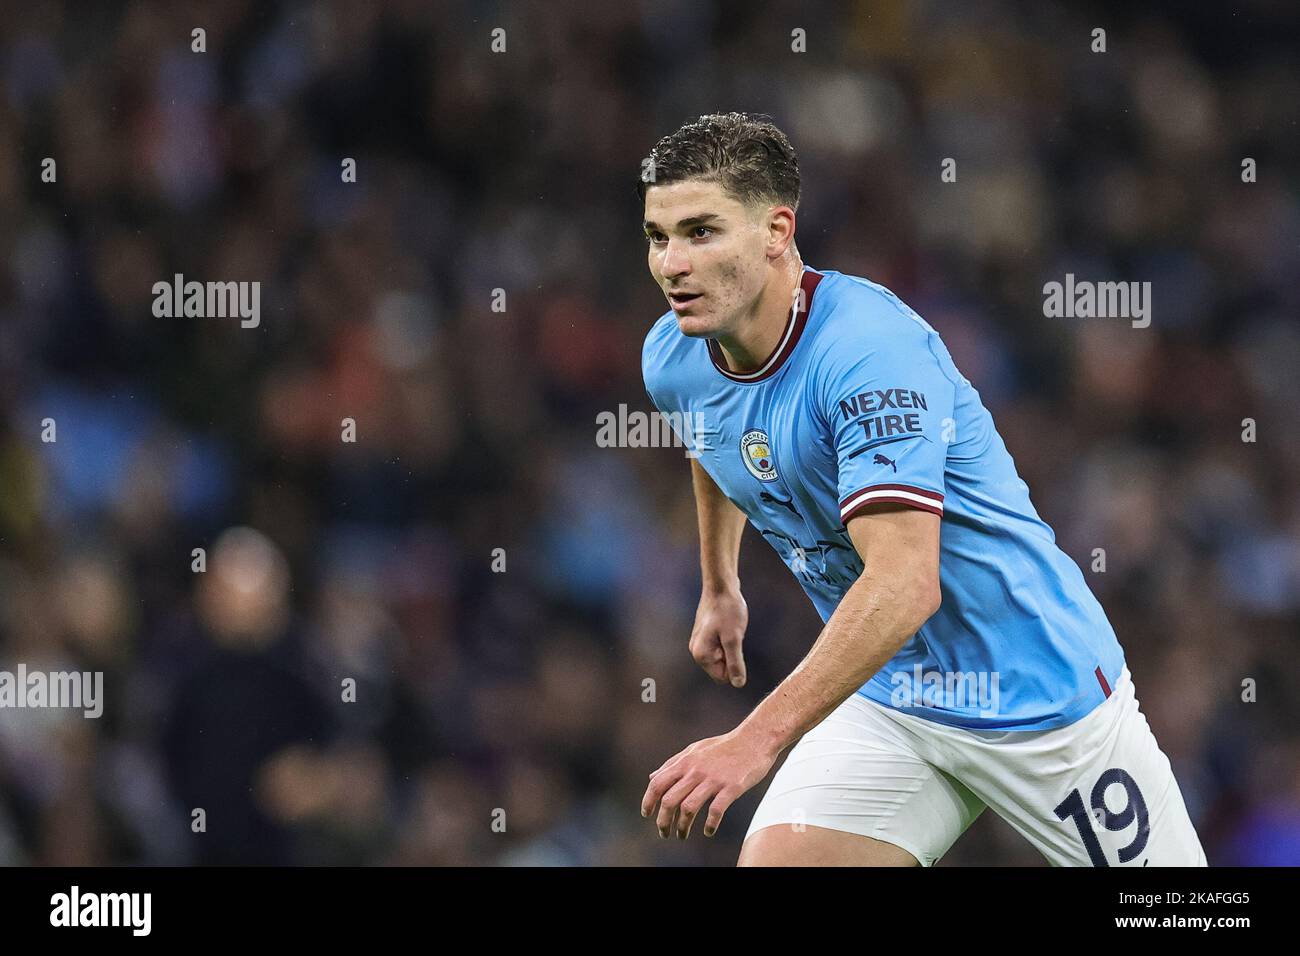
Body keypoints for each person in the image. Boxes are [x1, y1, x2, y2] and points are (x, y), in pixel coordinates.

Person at [637, 112, 1206, 867]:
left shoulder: (868, 353)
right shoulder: (676, 355)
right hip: (891, 693)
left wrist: (753, 742)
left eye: (702, 232)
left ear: (777, 230)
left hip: (1038, 697)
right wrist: (719, 582)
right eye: (657, 235)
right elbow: (711, 434)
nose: (673, 263)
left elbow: (906, 585)